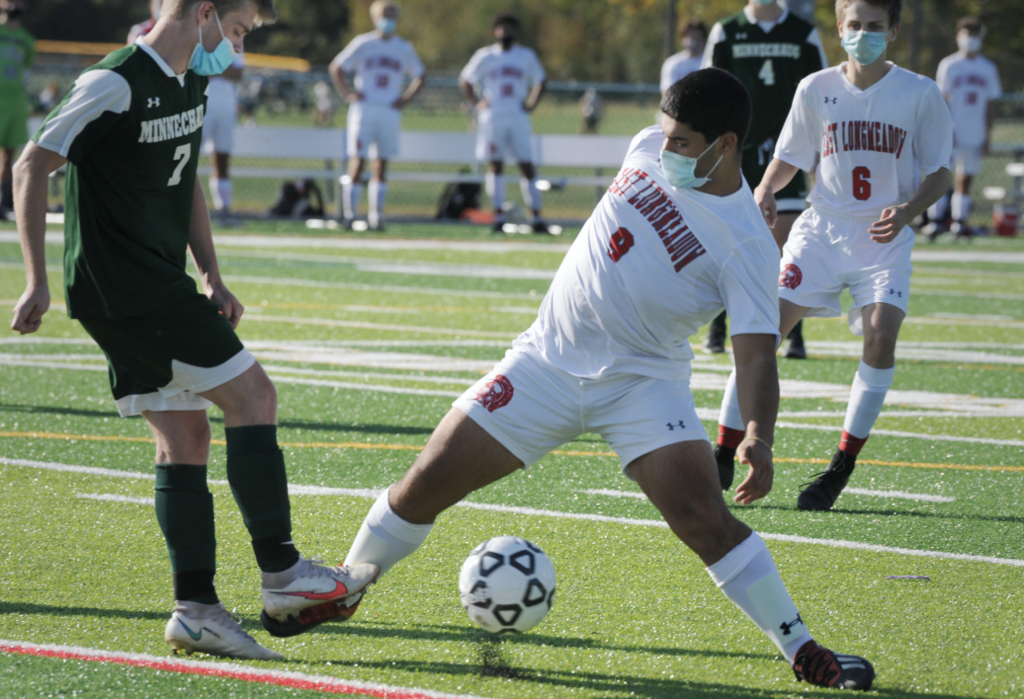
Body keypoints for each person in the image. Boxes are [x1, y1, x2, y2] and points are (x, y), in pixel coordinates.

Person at [288, 69, 875, 691]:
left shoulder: (749, 244)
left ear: (725, 145)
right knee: (424, 483)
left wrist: (758, 432)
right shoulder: (648, 145)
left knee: (704, 516)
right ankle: (348, 583)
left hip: (641, 385)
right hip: (544, 362)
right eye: (668, 133)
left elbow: (756, 356)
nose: (667, 147)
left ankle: (800, 646)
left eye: (684, 142)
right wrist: (666, 141)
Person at [10, 0, 378, 659]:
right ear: (204, 13)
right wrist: (35, 277)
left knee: (186, 437)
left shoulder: (193, 79)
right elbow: (32, 165)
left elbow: (187, 182)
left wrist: (212, 274)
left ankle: (196, 609)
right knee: (254, 397)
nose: (235, 50)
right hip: (124, 287)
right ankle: (284, 573)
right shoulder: (114, 81)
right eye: (235, 32)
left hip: (160, 281)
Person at [714, 0, 952, 509]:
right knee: (763, 330)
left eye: (874, 27)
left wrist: (909, 210)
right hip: (820, 230)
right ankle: (723, 448)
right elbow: (789, 157)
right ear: (840, 28)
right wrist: (765, 189)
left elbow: (941, 172)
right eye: (854, 25)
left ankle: (840, 467)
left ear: (892, 32)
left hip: (883, 237)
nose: (863, 34)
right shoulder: (816, 87)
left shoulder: (919, 92)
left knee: (881, 337)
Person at [700, 0, 827, 358]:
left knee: (786, 244)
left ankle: (793, 331)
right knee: (729, 238)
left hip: (787, 153)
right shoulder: (727, 30)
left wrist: (817, 151)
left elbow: (823, 95)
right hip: (735, 151)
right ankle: (719, 324)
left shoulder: (803, 33)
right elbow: (708, 91)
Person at [329, 0, 424, 231]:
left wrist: (405, 99)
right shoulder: (363, 43)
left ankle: (376, 216)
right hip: (365, 108)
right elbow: (337, 67)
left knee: (381, 164)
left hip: (389, 110)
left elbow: (420, 74)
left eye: (392, 16)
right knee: (357, 161)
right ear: (375, 18)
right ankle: (350, 215)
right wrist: (348, 94)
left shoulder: (403, 48)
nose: (388, 20)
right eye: (384, 15)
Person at [460, 14, 549, 234]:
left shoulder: (525, 55)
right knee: (495, 164)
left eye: (509, 28)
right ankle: (498, 215)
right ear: (494, 32)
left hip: (517, 116)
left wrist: (531, 104)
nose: (505, 32)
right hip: (493, 116)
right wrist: (477, 104)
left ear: (515, 32)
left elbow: (541, 79)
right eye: (501, 28)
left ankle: (536, 216)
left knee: (526, 165)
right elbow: (466, 79)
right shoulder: (486, 56)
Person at [924, 17, 1001, 240]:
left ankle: (958, 223)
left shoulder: (988, 68)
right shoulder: (949, 65)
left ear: (981, 37)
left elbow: (991, 103)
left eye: (975, 35)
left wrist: (988, 135)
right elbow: (942, 99)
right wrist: (945, 128)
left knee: (966, 179)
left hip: (975, 133)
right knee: (940, 175)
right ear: (959, 37)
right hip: (951, 132)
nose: (970, 40)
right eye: (967, 34)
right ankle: (935, 222)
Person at [0, 1, 34, 217]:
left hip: (15, 102)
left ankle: (3, 203)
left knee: (9, 155)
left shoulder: (27, 40)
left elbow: (27, 73)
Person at [203, 50, 245, 224]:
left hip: (226, 107)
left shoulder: (233, 39)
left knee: (222, 159)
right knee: (187, 156)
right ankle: (182, 204)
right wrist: (222, 68)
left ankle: (223, 209)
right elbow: (197, 69)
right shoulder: (201, 35)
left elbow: (238, 73)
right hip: (202, 103)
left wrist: (214, 68)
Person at [660, 19, 707, 95]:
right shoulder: (673, 63)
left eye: (697, 38)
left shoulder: (710, 61)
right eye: (690, 37)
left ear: (704, 39)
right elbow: (668, 94)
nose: (693, 41)